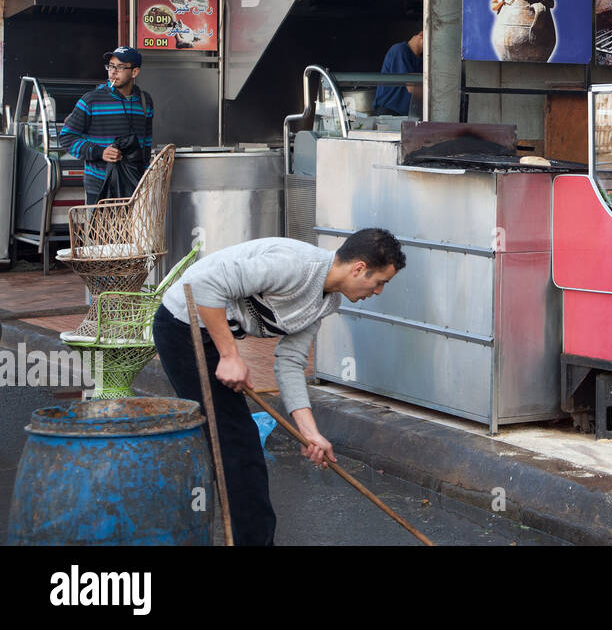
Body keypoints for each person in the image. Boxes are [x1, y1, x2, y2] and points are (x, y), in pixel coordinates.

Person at [152, 229, 406, 546]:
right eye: (380, 281)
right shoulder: (294, 266)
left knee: (233, 444)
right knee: (237, 446)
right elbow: (204, 286)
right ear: (358, 268)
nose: (379, 291)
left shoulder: (327, 301)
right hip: (181, 324)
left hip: (211, 333)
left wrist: (309, 432)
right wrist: (230, 356)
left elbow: (289, 361)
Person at [59, 46, 154, 204]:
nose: (113, 72)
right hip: (99, 186)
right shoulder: (91, 100)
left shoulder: (145, 101)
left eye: (120, 67)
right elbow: (66, 137)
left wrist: (145, 177)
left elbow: (146, 144)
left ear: (135, 72)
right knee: (99, 230)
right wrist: (99, 152)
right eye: (110, 66)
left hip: (133, 188)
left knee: (129, 230)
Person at [374, 31, 424, 117]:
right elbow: (412, 87)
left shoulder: (422, 61)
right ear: (421, 35)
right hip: (389, 112)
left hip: (408, 114)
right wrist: (436, 93)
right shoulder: (400, 50)